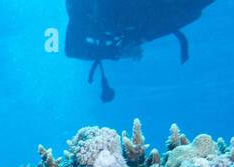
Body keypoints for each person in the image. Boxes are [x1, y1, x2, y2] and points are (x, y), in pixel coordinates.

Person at [64, 0, 216, 101]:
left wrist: (120, 50)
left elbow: (73, 48)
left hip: (152, 18)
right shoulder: (81, 7)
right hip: (153, 18)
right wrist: (120, 50)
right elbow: (72, 48)